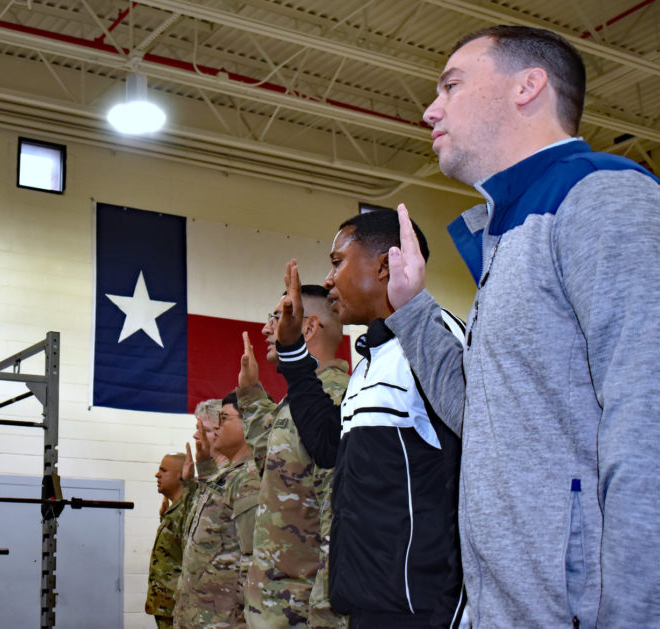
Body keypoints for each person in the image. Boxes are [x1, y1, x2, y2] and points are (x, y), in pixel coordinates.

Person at [385, 25, 660, 629]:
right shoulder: (508, 233)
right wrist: (410, 308)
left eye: (451, 85)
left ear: (528, 86)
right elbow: (483, 416)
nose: (431, 109)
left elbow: (649, 421)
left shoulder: (603, 197)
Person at [276, 210, 466, 629]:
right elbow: (329, 447)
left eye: (337, 262)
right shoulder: (369, 362)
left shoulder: (438, 342)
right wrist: (293, 355)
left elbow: (483, 468)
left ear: (384, 265)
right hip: (367, 606)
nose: (327, 280)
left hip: (422, 612)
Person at [237, 285, 350, 629]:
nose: (266, 328)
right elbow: (275, 469)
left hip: (300, 615)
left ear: (309, 327)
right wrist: (250, 394)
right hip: (273, 610)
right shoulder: (302, 397)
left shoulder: (336, 400)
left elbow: (339, 524)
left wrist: (324, 619)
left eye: (276, 317)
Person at [173, 393, 261, 629]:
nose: (196, 436)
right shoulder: (224, 477)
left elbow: (253, 560)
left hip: (223, 619)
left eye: (223, 421)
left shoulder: (249, 478)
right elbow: (194, 540)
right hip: (200, 615)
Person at [146, 451, 192, 628]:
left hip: (176, 606)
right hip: (166, 605)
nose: (157, 475)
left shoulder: (186, 510)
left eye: (163, 470)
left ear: (180, 474)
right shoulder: (174, 510)